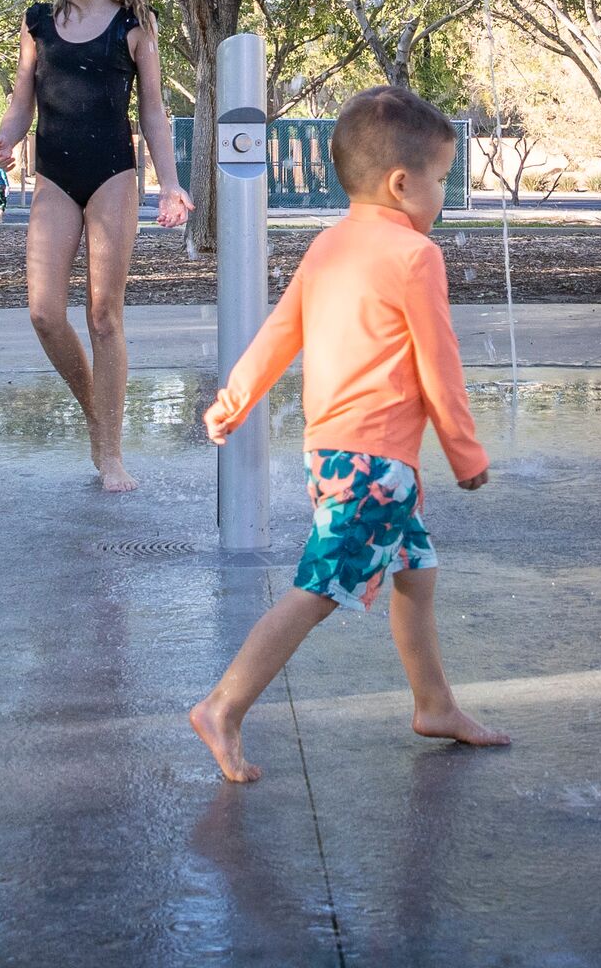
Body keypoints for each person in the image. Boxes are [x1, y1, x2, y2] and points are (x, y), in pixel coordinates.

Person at [190, 85, 510, 783]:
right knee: (319, 588)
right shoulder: (415, 256)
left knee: (416, 570)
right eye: (441, 180)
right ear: (401, 184)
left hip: (334, 451)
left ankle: (434, 704)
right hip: (374, 464)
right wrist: (465, 452)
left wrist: (234, 400)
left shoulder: (328, 246)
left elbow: (279, 332)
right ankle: (222, 705)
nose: (443, 196)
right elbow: (439, 364)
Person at [0, 0, 191, 492]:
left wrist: (169, 183)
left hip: (113, 176)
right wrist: (5, 138)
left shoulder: (135, 26)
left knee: (104, 316)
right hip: (54, 176)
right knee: (44, 313)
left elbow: (152, 110)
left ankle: (112, 452)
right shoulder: (38, 23)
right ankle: (95, 413)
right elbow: (22, 98)